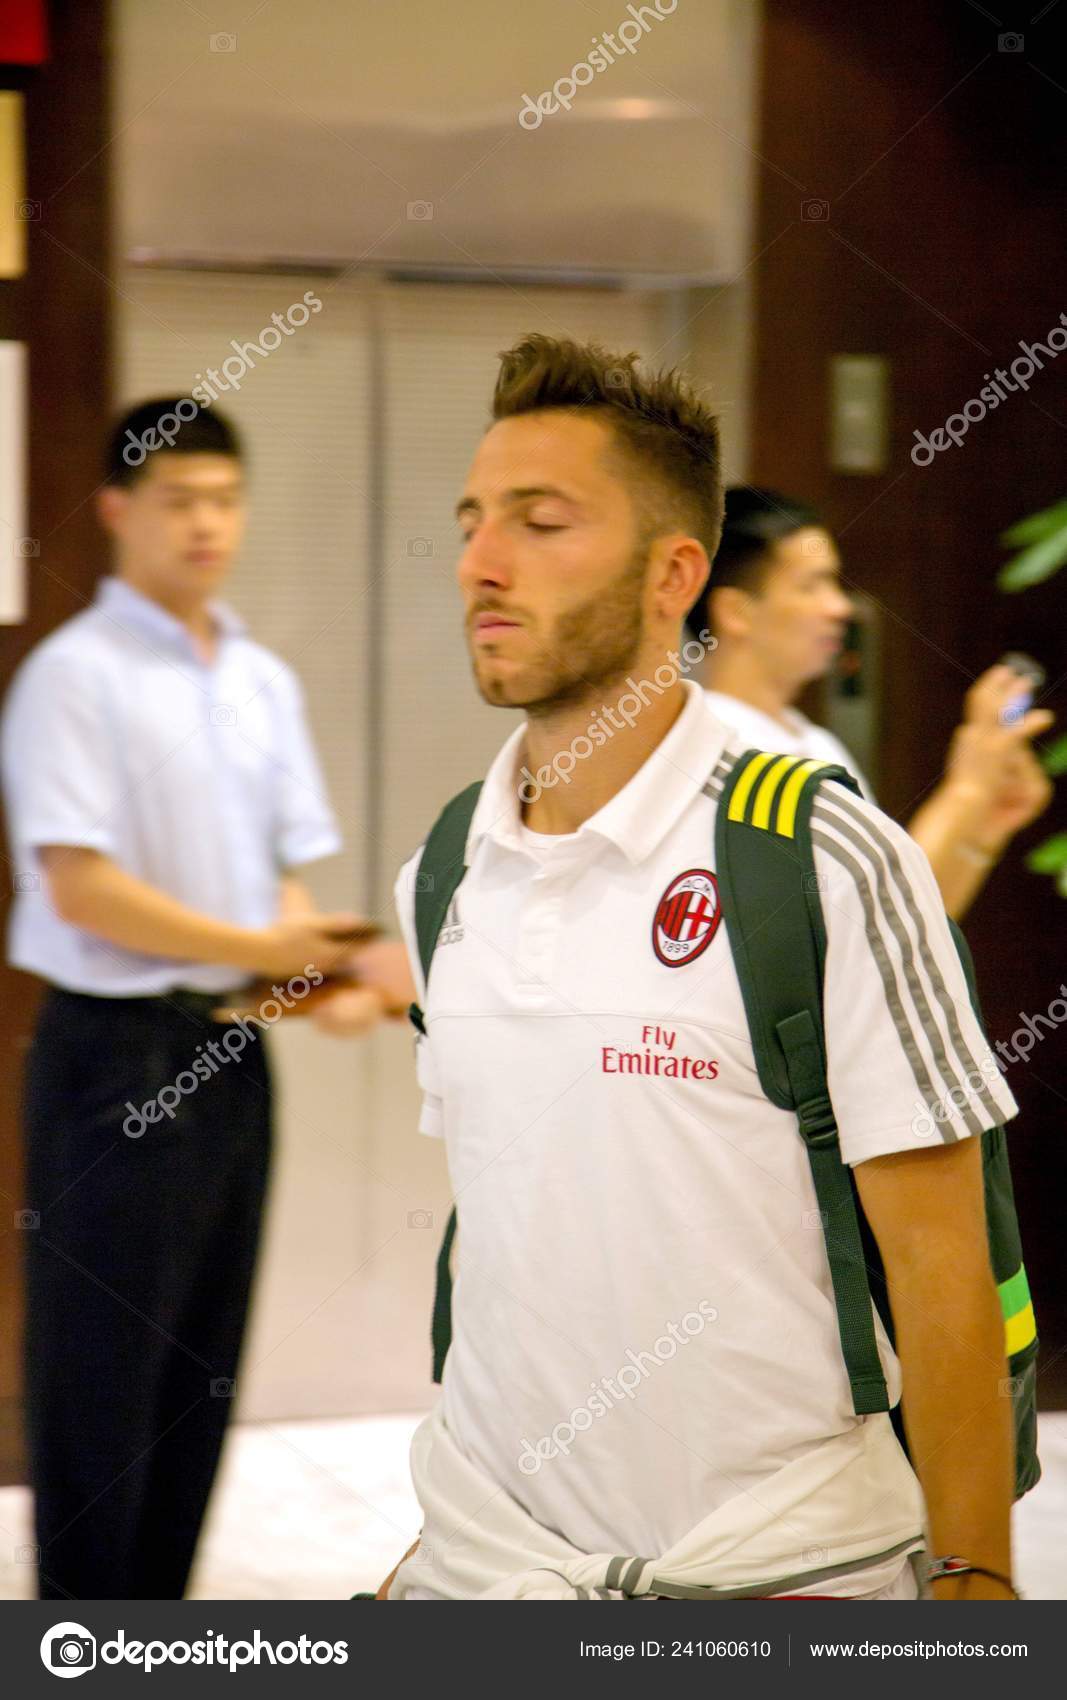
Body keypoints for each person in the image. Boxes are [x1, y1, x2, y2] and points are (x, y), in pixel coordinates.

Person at [378, 335, 1019, 1602]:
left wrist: (974, 1577)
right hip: (494, 1562)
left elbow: (944, 1266)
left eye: (540, 522)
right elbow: (505, 1224)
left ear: (674, 572)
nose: (479, 564)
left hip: (785, 1569)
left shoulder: (819, 854)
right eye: (471, 522)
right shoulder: (447, 868)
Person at [1, 399, 387, 1600]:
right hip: (114, 1055)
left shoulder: (260, 678)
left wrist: (310, 971)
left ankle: (159, 1622)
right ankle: (84, 1633)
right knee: (100, 1377)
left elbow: (280, 877)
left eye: (223, 497)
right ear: (118, 510)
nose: (205, 522)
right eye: (178, 499)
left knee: (196, 1366)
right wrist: (268, 945)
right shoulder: (75, 676)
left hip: (228, 1056)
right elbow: (82, 889)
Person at [684, 488, 1053, 919]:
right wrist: (967, 788)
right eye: (811, 585)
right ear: (736, 611)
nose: (839, 607)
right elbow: (869, 913)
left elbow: (904, 931)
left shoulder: (814, 741)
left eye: (835, 584)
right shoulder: (718, 742)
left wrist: (979, 830)